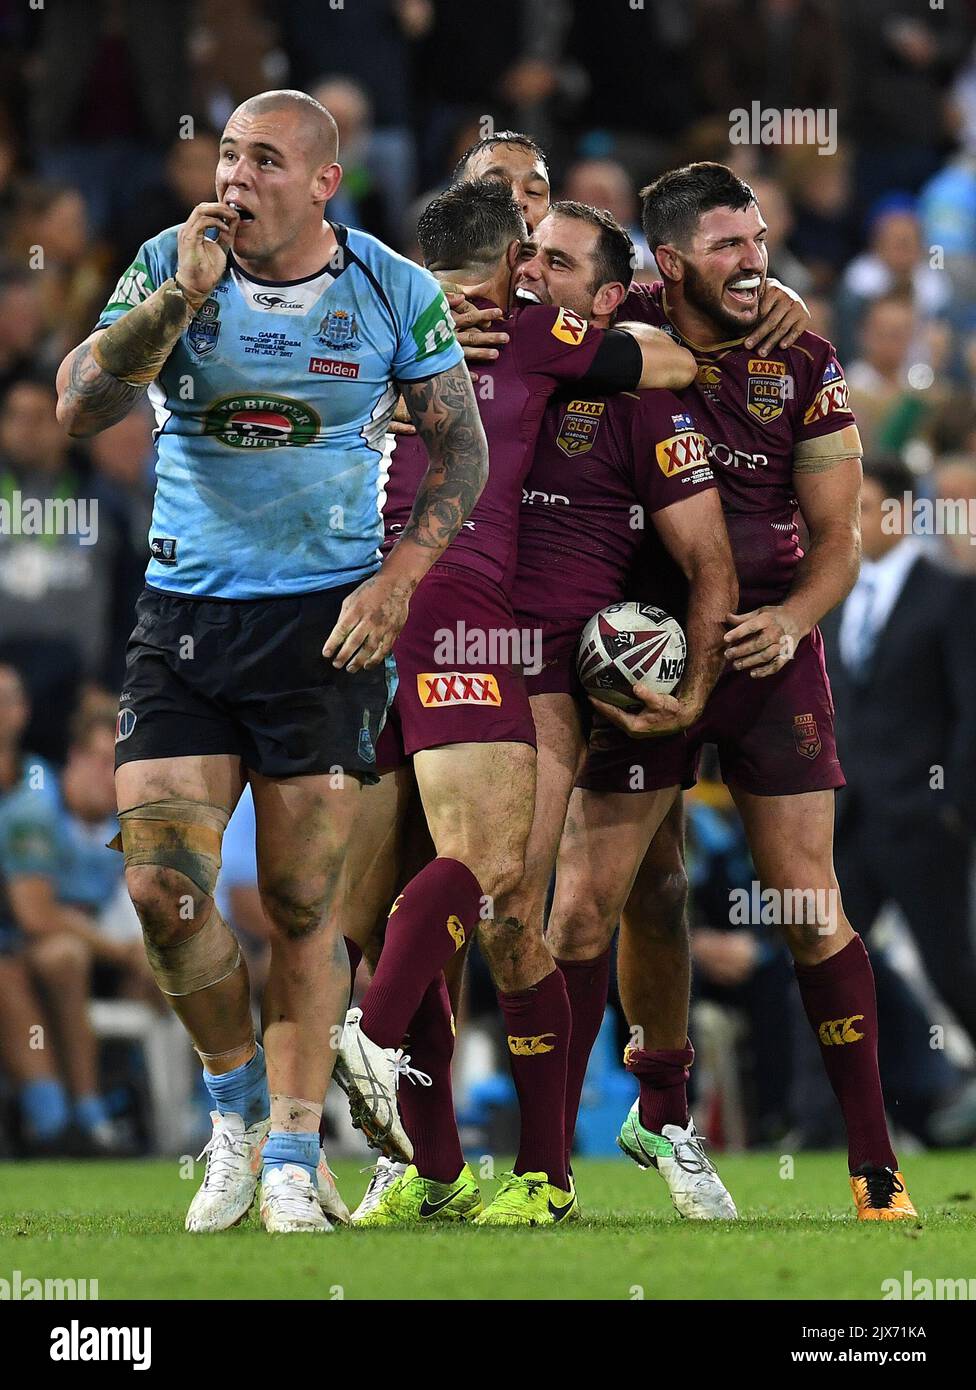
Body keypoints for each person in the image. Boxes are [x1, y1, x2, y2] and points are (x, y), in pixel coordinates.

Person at [55, 88, 489, 1235]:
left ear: (320, 182)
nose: (234, 177)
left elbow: (463, 449)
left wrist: (397, 583)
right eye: (227, 154)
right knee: (161, 886)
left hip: (324, 628)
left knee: (302, 902)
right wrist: (173, 307)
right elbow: (78, 406)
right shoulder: (166, 260)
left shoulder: (391, 289)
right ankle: (236, 1112)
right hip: (184, 618)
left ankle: (295, 1151)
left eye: (261, 160)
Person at [547, 162, 917, 1221]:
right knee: (599, 904)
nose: (753, 261)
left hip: (765, 647)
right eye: (726, 246)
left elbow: (840, 538)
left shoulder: (799, 351)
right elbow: (531, 303)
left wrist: (795, 621)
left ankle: (874, 1168)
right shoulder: (622, 331)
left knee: (807, 899)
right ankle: (572, 1155)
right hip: (642, 653)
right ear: (668, 262)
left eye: (757, 241)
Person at [335, 179, 699, 1226]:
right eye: (526, 256)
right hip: (456, 603)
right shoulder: (535, 331)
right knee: (493, 879)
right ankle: (382, 1038)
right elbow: (673, 361)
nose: (532, 274)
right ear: (503, 262)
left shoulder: (365, 318)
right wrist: (584, 320)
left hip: (349, 619)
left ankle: (444, 1172)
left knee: (384, 909)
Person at [823, 455, 976, 1050]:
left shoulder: (951, 596)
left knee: (950, 967)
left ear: (903, 512)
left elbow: (970, 712)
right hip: (845, 818)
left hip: (921, 819)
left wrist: (955, 806)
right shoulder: (830, 595)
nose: (852, 520)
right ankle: (822, 1121)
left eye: (863, 506)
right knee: (824, 969)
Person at [0, 694, 137, 1153]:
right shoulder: (35, 809)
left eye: (121, 764)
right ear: (74, 759)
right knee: (61, 958)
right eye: (102, 761)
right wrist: (122, 952)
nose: (111, 776)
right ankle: (72, 1116)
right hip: (19, 945)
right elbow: (36, 915)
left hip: (101, 951)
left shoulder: (133, 820)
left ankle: (196, 1111)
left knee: (175, 970)